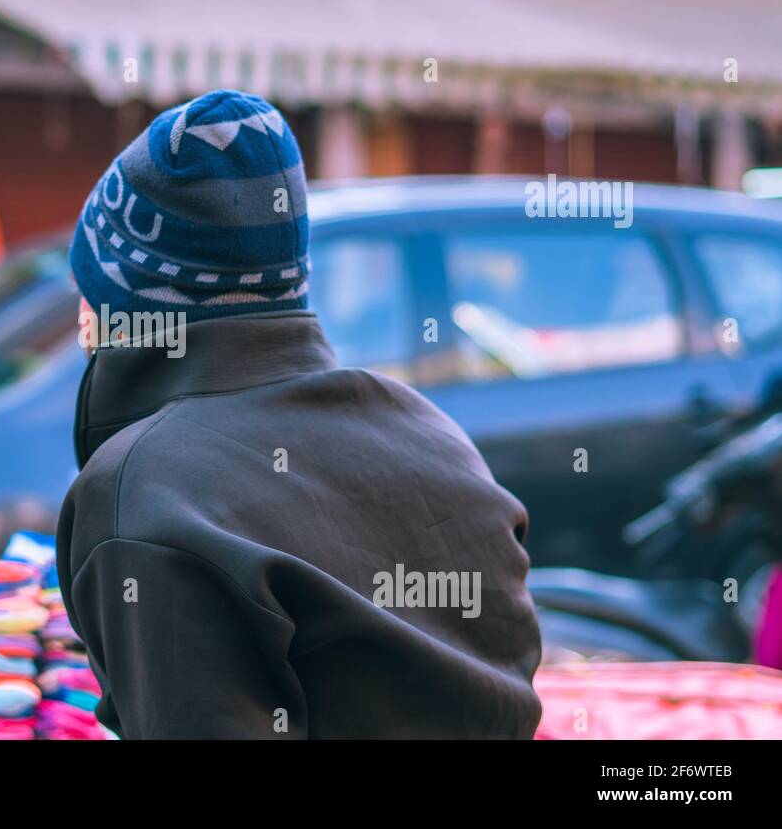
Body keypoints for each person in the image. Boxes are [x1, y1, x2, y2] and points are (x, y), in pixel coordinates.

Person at [56, 90, 542, 739]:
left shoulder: (143, 494)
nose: (78, 316)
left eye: (88, 289)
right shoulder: (434, 434)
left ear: (129, 305)